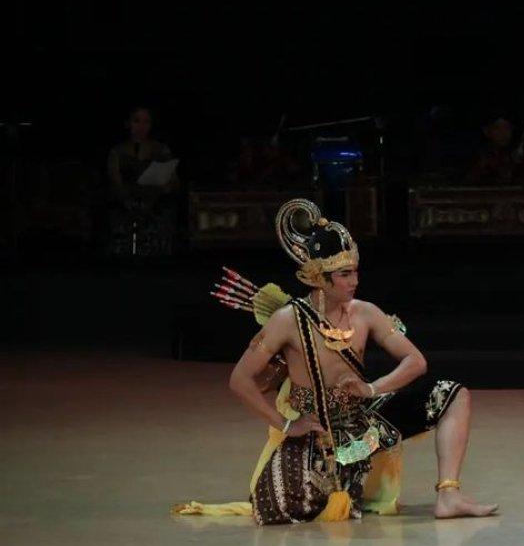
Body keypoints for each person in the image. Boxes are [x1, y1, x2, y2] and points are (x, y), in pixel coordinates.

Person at [174, 199, 497, 523]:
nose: (354, 281)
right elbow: (240, 379)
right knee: (277, 507)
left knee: (453, 394)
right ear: (318, 278)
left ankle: (449, 495)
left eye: (355, 271)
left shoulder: (366, 312)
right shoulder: (288, 320)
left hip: (363, 417)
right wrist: (286, 424)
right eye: (344, 274)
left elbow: (416, 361)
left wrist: (371, 389)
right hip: (317, 428)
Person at [106, 106, 177, 255]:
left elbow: (172, 179)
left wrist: (159, 191)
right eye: (137, 121)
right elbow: (115, 181)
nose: (141, 127)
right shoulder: (117, 151)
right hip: (125, 203)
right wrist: (127, 200)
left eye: (146, 122)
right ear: (128, 124)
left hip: (155, 202)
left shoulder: (160, 149)